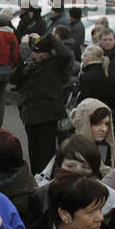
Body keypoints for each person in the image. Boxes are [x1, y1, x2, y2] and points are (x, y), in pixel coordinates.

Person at [13, 34, 74, 174]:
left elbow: (66, 55)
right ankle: (35, 177)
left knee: (45, 153)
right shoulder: (31, 65)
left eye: (37, 52)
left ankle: (44, 177)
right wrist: (23, 65)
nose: (35, 55)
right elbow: (14, 79)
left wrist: (50, 38)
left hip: (47, 115)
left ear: (46, 54)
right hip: (30, 114)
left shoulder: (55, 65)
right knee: (33, 152)